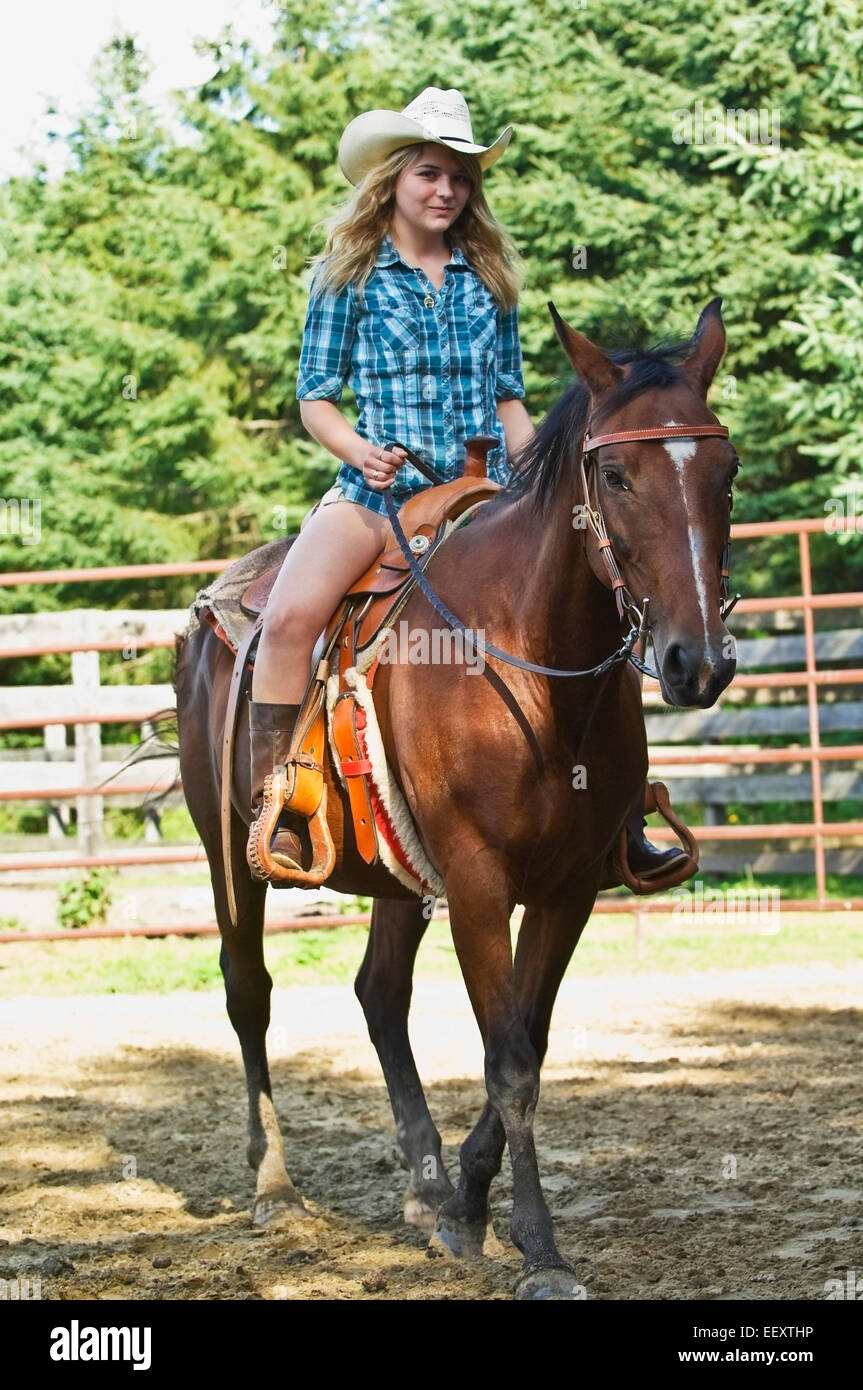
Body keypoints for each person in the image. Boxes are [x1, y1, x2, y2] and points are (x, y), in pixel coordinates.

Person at [248, 86, 683, 885]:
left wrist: (534, 471)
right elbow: (316, 398)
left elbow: (510, 395)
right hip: (376, 499)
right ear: (392, 181)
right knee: (287, 620)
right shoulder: (344, 275)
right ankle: (282, 800)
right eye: (427, 173)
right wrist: (362, 449)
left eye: (458, 176)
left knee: (599, 597)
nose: (445, 189)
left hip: (483, 498)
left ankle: (623, 812)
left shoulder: (488, 280)